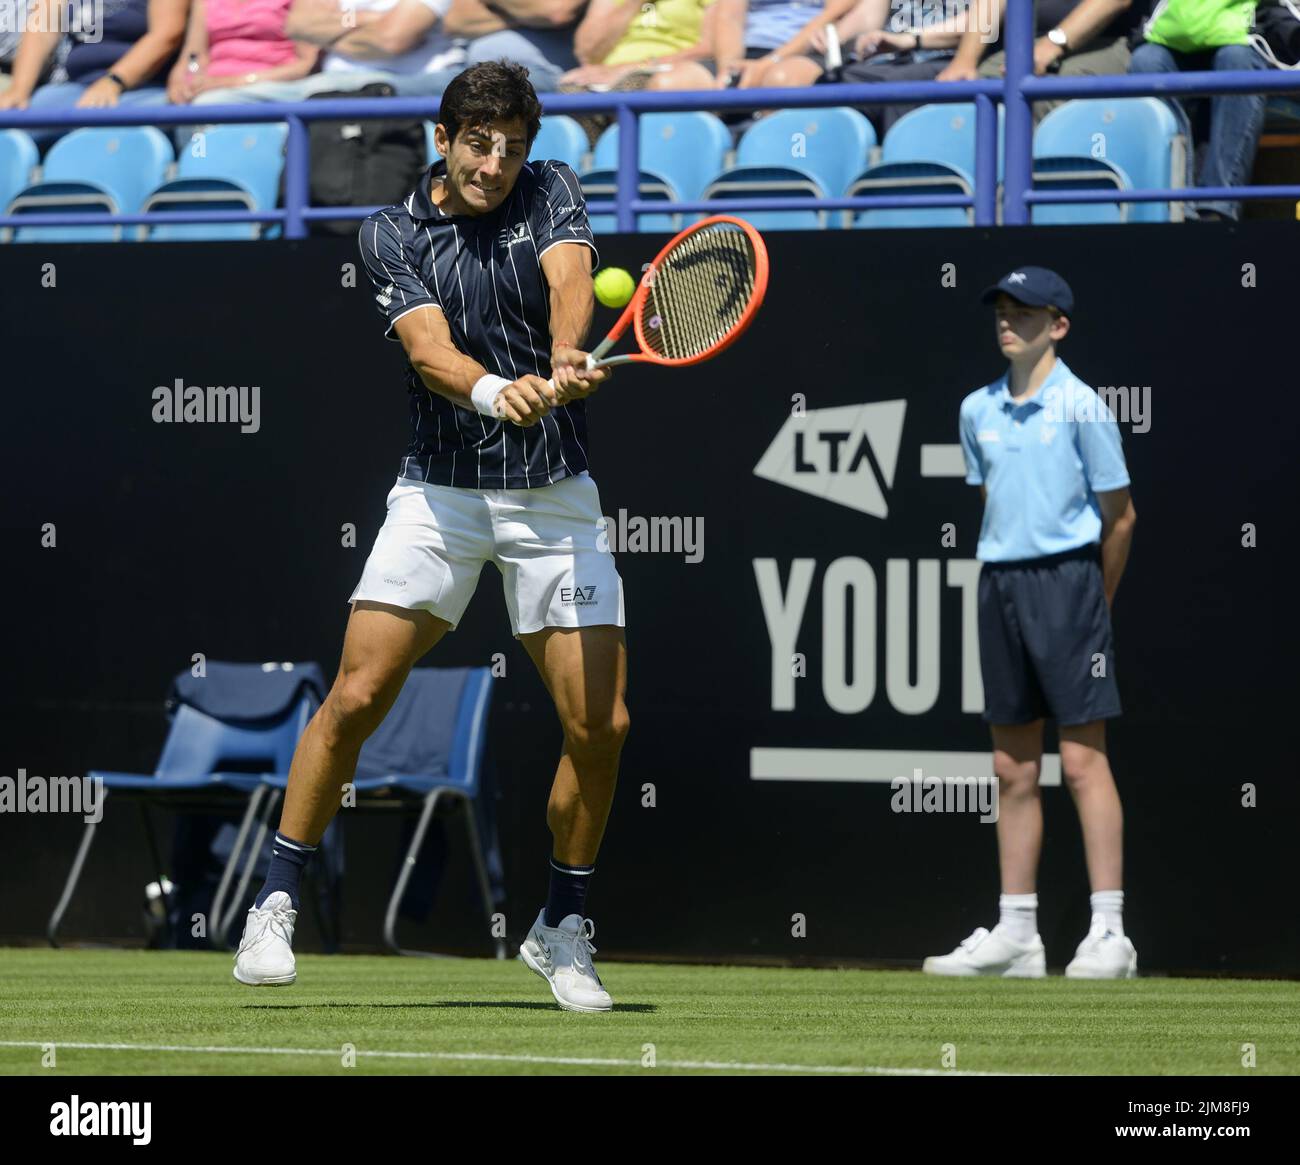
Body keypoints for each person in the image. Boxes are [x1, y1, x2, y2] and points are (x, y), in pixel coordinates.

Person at [232, 60, 630, 1014]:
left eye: (514, 146)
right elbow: (430, 351)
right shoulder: (390, 232)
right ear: (444, 139)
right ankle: (275, 898)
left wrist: (568, 351)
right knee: (358, 694)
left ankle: (561, 926)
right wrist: (500, 391)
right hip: (441, 494)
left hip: (552, 497)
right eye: (480, 143)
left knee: (602, 725)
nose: (498, 164)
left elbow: (569, 277)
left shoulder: (553, 187)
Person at [925, 266, 1138, 980]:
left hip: (1070, 584)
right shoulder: (974, 409)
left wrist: (1093, 600)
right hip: (1000, 583)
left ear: (1060, 324)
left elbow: (1121, 517)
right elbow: (993, 500)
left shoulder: (1084, 407)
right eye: (1003, 310)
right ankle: (1019, 931)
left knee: (1081, 760)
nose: (1008, 320)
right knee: (1011, 765)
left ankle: (1110, 932)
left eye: (1025, 311)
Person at [1128, 0, 1269, 221]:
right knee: (1145, 62)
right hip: (1174, 36)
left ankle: (1217, 207)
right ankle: (1176, 203)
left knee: (1236, 61)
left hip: (1245, 34)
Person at [193, 0, 465, 102]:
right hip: (328, 85)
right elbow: (298, 25)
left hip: (401, 85)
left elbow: (390, 41)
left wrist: (332, 25)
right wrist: (368, 20)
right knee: (210, 105)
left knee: (214, 104)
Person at [938, 0, 1146, 124]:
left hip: (1113, 41)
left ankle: (1041, 191)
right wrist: (965, 60)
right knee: (975, 91)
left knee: (1046, 94)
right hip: (1026, 45)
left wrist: (1051, 45)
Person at [0, 0, 186, 122]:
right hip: (73, 87)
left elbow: (167, 34)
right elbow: (42, 27)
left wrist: (113, 82)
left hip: (142, 90)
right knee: (15, 122)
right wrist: (19, 89)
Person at [645, 0, 856, 91]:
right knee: (667, 85)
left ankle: (777, 176)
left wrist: (770, 63)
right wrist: (729, 70)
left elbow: (833, 14)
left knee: (781, 81)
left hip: (809, 51)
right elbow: (729, 18)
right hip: (748, 52)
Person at [166, 0, 320, 103]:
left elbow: (307, 63)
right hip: (211, 88)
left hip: (273, 84)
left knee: (206, 106)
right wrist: (186, 79)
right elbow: (194, 56)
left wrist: (235, 81)